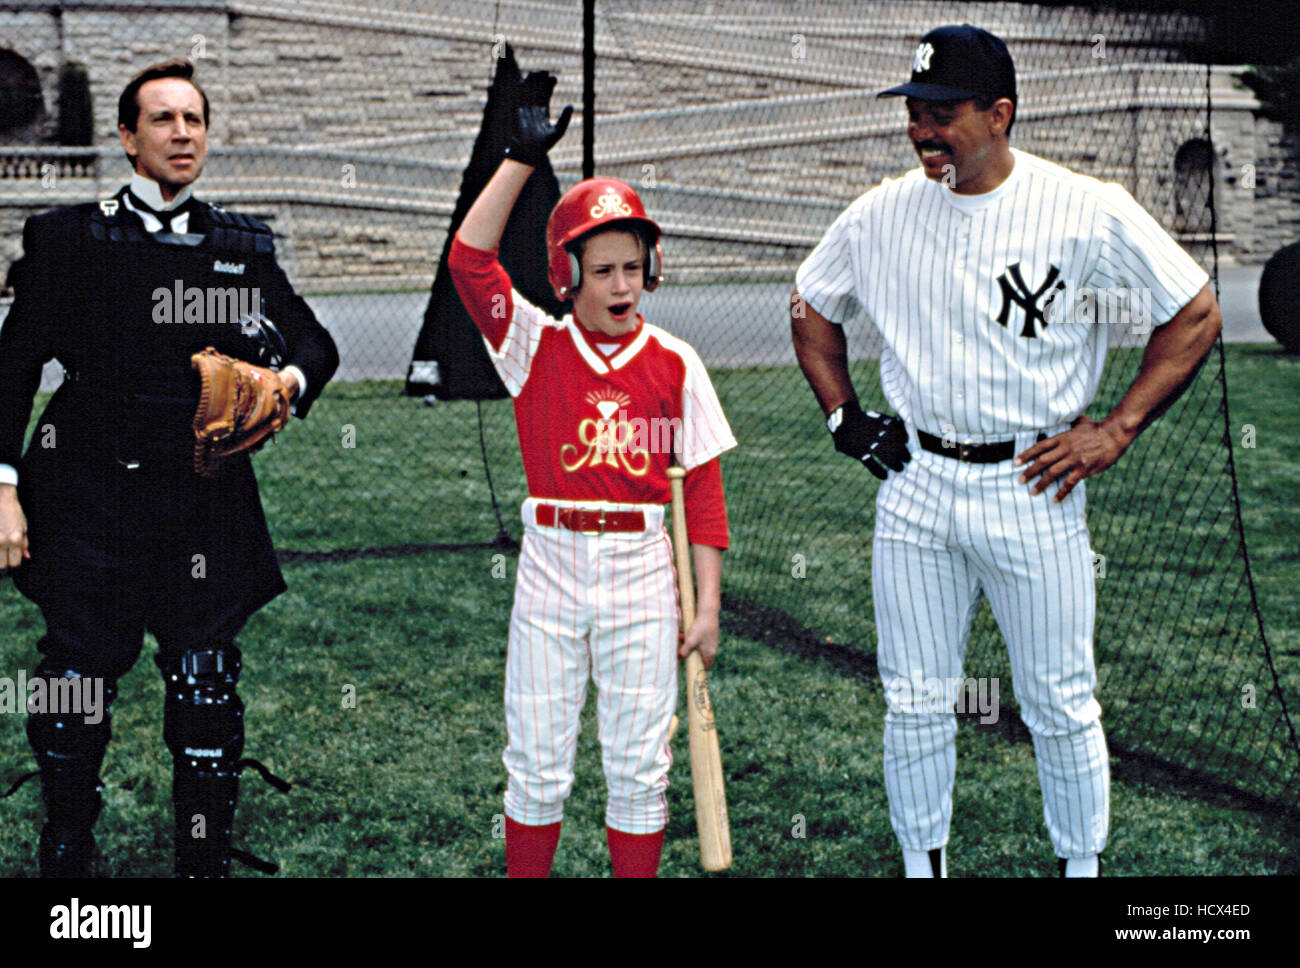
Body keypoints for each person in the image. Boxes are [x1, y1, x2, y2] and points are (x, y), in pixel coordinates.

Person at [790, 24, 1222, 877]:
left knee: (1059, 702)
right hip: (914, 482)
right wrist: (844, 416)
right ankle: (924, 866)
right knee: (915, 702)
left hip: (1034, 484)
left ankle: (1082, 869)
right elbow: (810, 305)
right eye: (913, 110)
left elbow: (1196, 310)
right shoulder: (880, 213)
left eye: (941, 112)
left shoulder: (1084, 208)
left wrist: (1117, 427)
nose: (920, 129)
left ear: (999, 114)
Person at [0, 58, 339, 877]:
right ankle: (67, 839)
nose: (183, 133)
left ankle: (202, 854)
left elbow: (314, 343)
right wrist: (3, 488)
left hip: (202, 497)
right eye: (163, 119)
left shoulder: (238, 247)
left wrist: (282, 384)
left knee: (206, 681)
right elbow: (11, 371)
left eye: (194, 120)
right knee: (76, 678)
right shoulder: (69, 239)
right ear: (127, 137)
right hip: (87, 492)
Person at [448, 71, 735, 877]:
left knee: (640, 766)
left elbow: (703, 497)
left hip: (645, 569)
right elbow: (470, 262)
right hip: (551, 562)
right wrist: (516, 160)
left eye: (633, 267)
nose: (621, 286)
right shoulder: (533, 346)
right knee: (537, 758)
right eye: (601, 270)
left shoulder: (675, 362)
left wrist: (706, 607)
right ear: (565, 273)